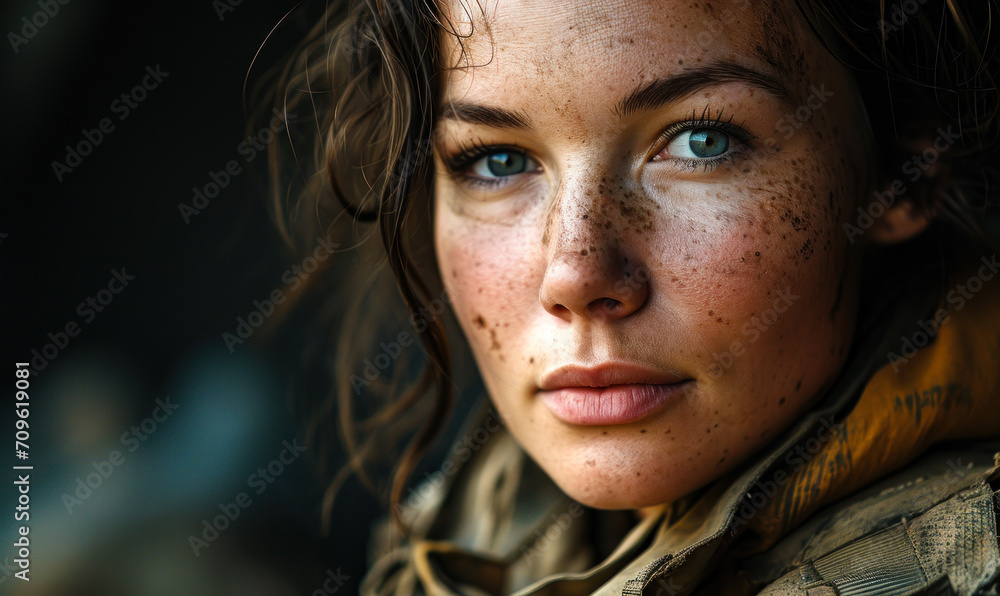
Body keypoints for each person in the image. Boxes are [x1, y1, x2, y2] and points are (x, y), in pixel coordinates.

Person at [261, 0, 1000, 593]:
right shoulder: (447, 548)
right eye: (499, 159)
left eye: (701, 142)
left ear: (904, 173)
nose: (577, 274)